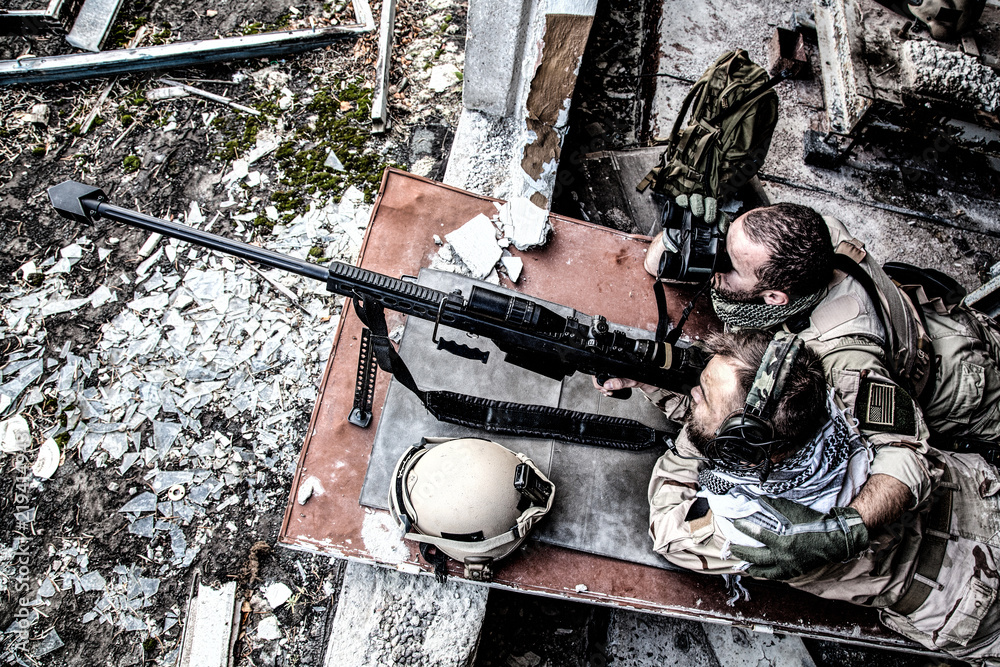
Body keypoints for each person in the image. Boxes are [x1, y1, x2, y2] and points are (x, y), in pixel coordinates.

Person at [647, 328, 1000, 665]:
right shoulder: (841, 385)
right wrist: (655, 381)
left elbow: (666, 527)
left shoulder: (756, 528)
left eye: (703, 395)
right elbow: (910, 452)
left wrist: (690, 443)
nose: (693, 393)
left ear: (742, 442)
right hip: (980, 494)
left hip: (973, 601)